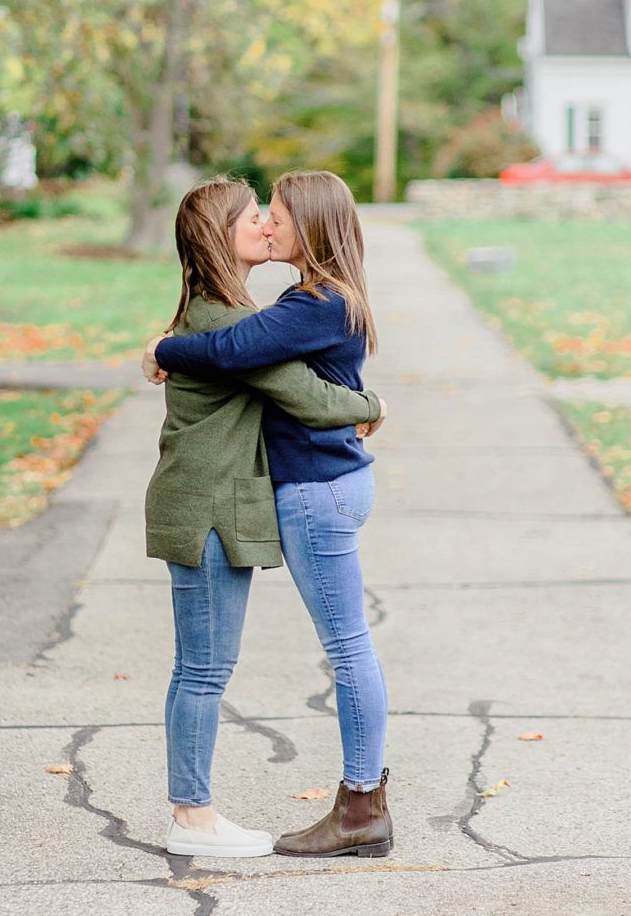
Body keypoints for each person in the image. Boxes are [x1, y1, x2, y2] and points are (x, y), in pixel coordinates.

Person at [145, 168, 395, 858]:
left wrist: (162, 349)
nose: (265, 223)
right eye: (255, 214)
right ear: (219, 238)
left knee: (333, 650)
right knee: (205, 669)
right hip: (212, 508)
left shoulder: (277, 313)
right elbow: (296, 389)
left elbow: (300, 391)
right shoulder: (242, 318)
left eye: (274, 213)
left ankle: (358, 803)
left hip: (292, 492)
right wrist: (370, 408)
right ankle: (193, 818)